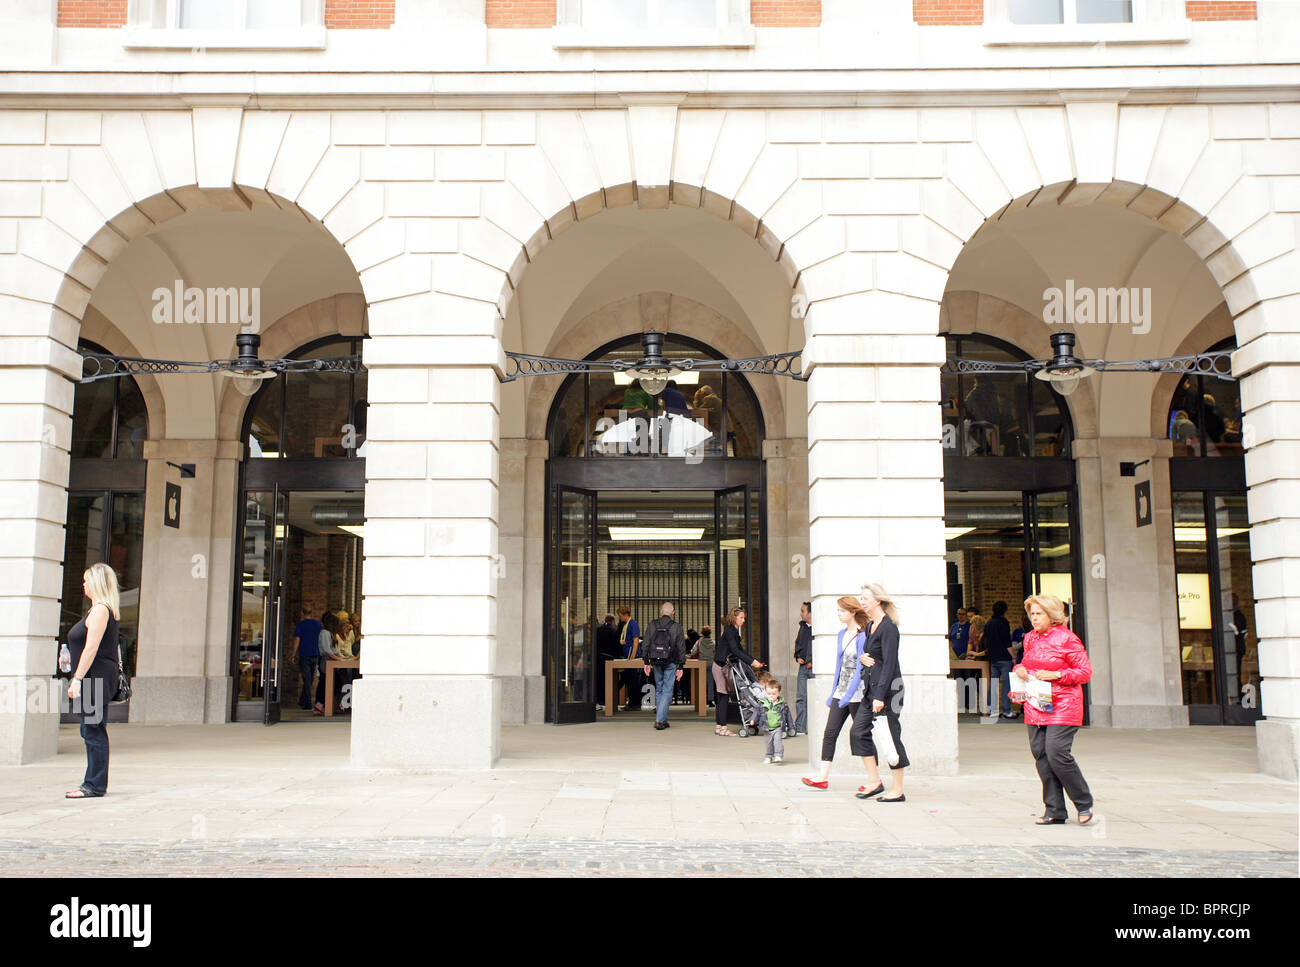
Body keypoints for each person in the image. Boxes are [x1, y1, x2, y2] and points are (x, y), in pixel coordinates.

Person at [1013, 594, 1095, 826]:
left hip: (1064, 705)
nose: (1034, 618)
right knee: (1042, 755)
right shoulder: (1030, 638)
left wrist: (1057, 674)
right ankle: (1054, 809)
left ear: (1052, 615)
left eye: (1039, 614)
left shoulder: (1067, 639)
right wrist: (1019, 668)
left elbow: (1085, 672)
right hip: (1037, 703)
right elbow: (1025, 664)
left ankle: (1083, 802)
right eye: (1032, 614)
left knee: (1057, 753)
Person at [65, 563, 122, 799]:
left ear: (97, 583)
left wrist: (77, 678)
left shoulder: (100, 610)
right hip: (95, 676)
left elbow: (91, 648)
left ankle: (94, 785)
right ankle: (94, 782)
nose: (84, 584)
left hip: (94, 678)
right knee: (91, 729)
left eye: (87, 580)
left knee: (92, 731)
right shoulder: (99, 609)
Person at [801, 596, 868, 789]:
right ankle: (822, 777)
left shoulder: (862, 636)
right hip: (841, 692)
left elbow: (859, 668)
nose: (838, 614)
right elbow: (839, 665)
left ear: (853, 612)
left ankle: (873, 779)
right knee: (830, 734)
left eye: (842, 611)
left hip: (857, 694)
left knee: (861, 736)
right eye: (838, 610)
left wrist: (848, 695)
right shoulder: (840, 634)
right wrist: (834, 692)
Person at [852, 583, 910, 802]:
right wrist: (863, 659)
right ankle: (874, 781)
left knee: (891, 738)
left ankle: (898, 789)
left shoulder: (889, 627)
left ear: (877, 600)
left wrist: (879, 697)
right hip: (871, 690)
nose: (862, 601)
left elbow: (889, 664)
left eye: (865, 598)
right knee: (858, 733)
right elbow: (873, 657)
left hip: (888, 692)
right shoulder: (870, 626)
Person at [713, 607, 762, 737]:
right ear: (734, 618)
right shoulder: (730, 632)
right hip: (720, 666)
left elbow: (740, 650)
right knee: (723, 696)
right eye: (741, 618)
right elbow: (736, 651)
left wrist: (752, 660)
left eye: (744, 618)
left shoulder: (733, 632)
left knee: (722, 696)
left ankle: (719, 726)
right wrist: (752, 662)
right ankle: (723, 727)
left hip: (721, 666)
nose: (743, 620)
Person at [642, 602, 687, 730]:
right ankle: (659, 720)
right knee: (667, 690)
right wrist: (681, 666)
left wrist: (646, 661)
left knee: (659, 689)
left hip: (656, 661)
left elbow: (645, 643)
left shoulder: (652, 625)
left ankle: (663, 719)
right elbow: (681, 648)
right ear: (672, 613)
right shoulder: (676, 627)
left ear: (661, 612)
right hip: (671, 662)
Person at [983, 601, 1017, 719]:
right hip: (1004, 658)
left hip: (993, 658)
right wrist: (1013, 656)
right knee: (1006, 685)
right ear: (1004, 610)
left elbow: (985, 640)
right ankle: (1007, 710)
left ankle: (991, 709)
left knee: (993, 684)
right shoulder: (1003, 623)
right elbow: (1007, 642)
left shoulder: (989, 623)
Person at [290, 605, 322, 712]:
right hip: (315, 653)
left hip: (304, 654)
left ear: (302, 613)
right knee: (310, 678)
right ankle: (302, 701)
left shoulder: (301, 625)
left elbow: (297, 640)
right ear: (312, 612)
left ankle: (308, 703)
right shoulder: (318, 624)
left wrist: (293, 654)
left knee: (307, 679)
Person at [758, 677, 794, 764]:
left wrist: (791, 726)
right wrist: (752, 720)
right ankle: (769, 756)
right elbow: (757, 712)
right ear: (766, 693)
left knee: (777, 741)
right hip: (767, 727)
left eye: (774, 694)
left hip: (778, 727)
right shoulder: (763, 703)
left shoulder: (782, 704)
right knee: (768, 744)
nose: (771, 696)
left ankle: (778, 755)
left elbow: (788, 715)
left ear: (778, 693)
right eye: (769, 694)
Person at [616, 606, 643, 711]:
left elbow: (636, 640)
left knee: (632, 680)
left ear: (625, 614)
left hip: (632, 655)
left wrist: (632, 657)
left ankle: (635, 703)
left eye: (620, 616)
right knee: (629, 680)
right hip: (628, 655)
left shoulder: (633, 624)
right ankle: (632, 702)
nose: (620, 618)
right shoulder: (625, 625)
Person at [314, 610, 339, 715]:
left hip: (330, 659)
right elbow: (327, 650)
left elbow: (333, 650)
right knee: (325, 682)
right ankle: (320, 704)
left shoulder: (329, 633)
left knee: (330, 682)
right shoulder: (325, 633)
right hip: (326, 661)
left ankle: (323, 704)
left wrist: (339, 656)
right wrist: (338, 658)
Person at [793, 601, 813, 734]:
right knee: (801, 698)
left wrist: (812, 661)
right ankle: (800, 727)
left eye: (803, 611)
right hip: (803, 668)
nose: (801, 613)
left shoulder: (819, 627)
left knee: (814, 699)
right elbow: (798, 643)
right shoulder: (803, 627)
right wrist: (798, 656)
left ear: (810, 613)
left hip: (814, 668)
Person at [595, 613, 619, 707]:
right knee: (608, 679)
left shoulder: (598, 630)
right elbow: (615, 645)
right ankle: (606, 699)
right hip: (608, 657)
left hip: (598, 657)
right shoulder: (613, 630)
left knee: (599, 679)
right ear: (612, 621)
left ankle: (599, 699)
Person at [690, 624, 717, 706]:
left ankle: (701, 699)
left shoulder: (699, 642)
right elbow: (716, 653)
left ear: (702, 633)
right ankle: (710, 699)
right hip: (711, 664)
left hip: (701, 664)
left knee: (701, 682)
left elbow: (693, 652)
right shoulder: (713, 642)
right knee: (710, 682)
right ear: (710, 633)